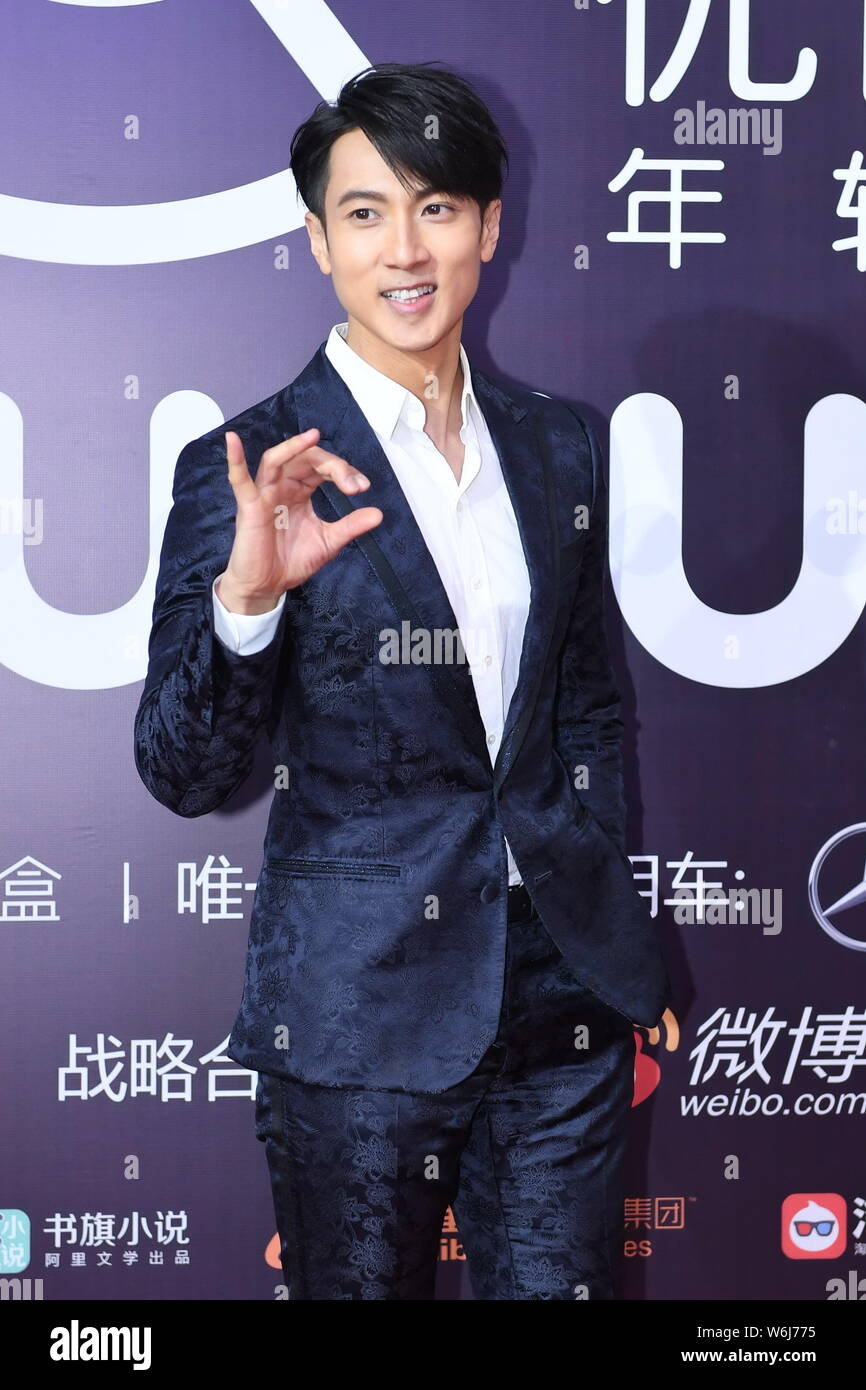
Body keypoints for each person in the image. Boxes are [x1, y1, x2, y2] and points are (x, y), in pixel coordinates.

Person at [134, 60, 671, 1301]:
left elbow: (583, 704)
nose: (405, 249)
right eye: (366, 213)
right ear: (319, 241)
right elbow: (182, 768)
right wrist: (250, 599)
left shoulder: (556, 443)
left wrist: (608, 933)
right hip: (357, 1013)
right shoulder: (251, 463)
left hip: (559, 999)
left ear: (489, 225)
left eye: (435, 206)